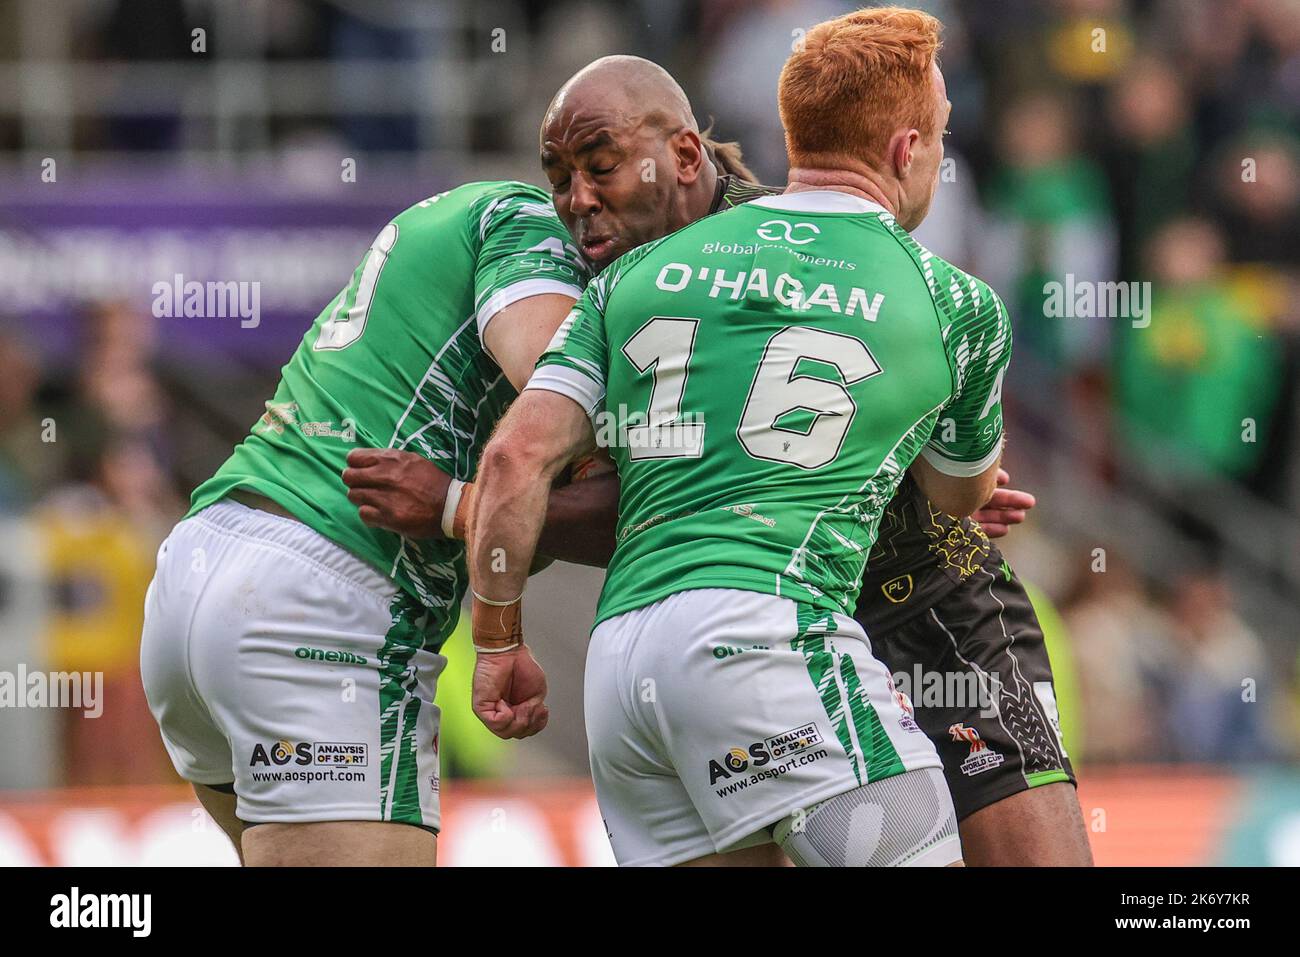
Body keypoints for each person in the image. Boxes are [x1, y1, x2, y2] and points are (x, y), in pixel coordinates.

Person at [346, 46, 1090, 863]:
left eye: (601, 169)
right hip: (771, 616)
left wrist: (457, 510)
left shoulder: (786, 239)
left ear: (685, 157)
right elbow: (650, 500)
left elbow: (553, 472)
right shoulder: (615, 282)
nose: (577, 205)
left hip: (925, 602)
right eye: (558, 179)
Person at [139, 180, 589, 865]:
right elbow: (553, 406)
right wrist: (461, 508)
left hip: (204, 565)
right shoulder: (536, 226)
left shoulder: (464, 211)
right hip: (323, 612)